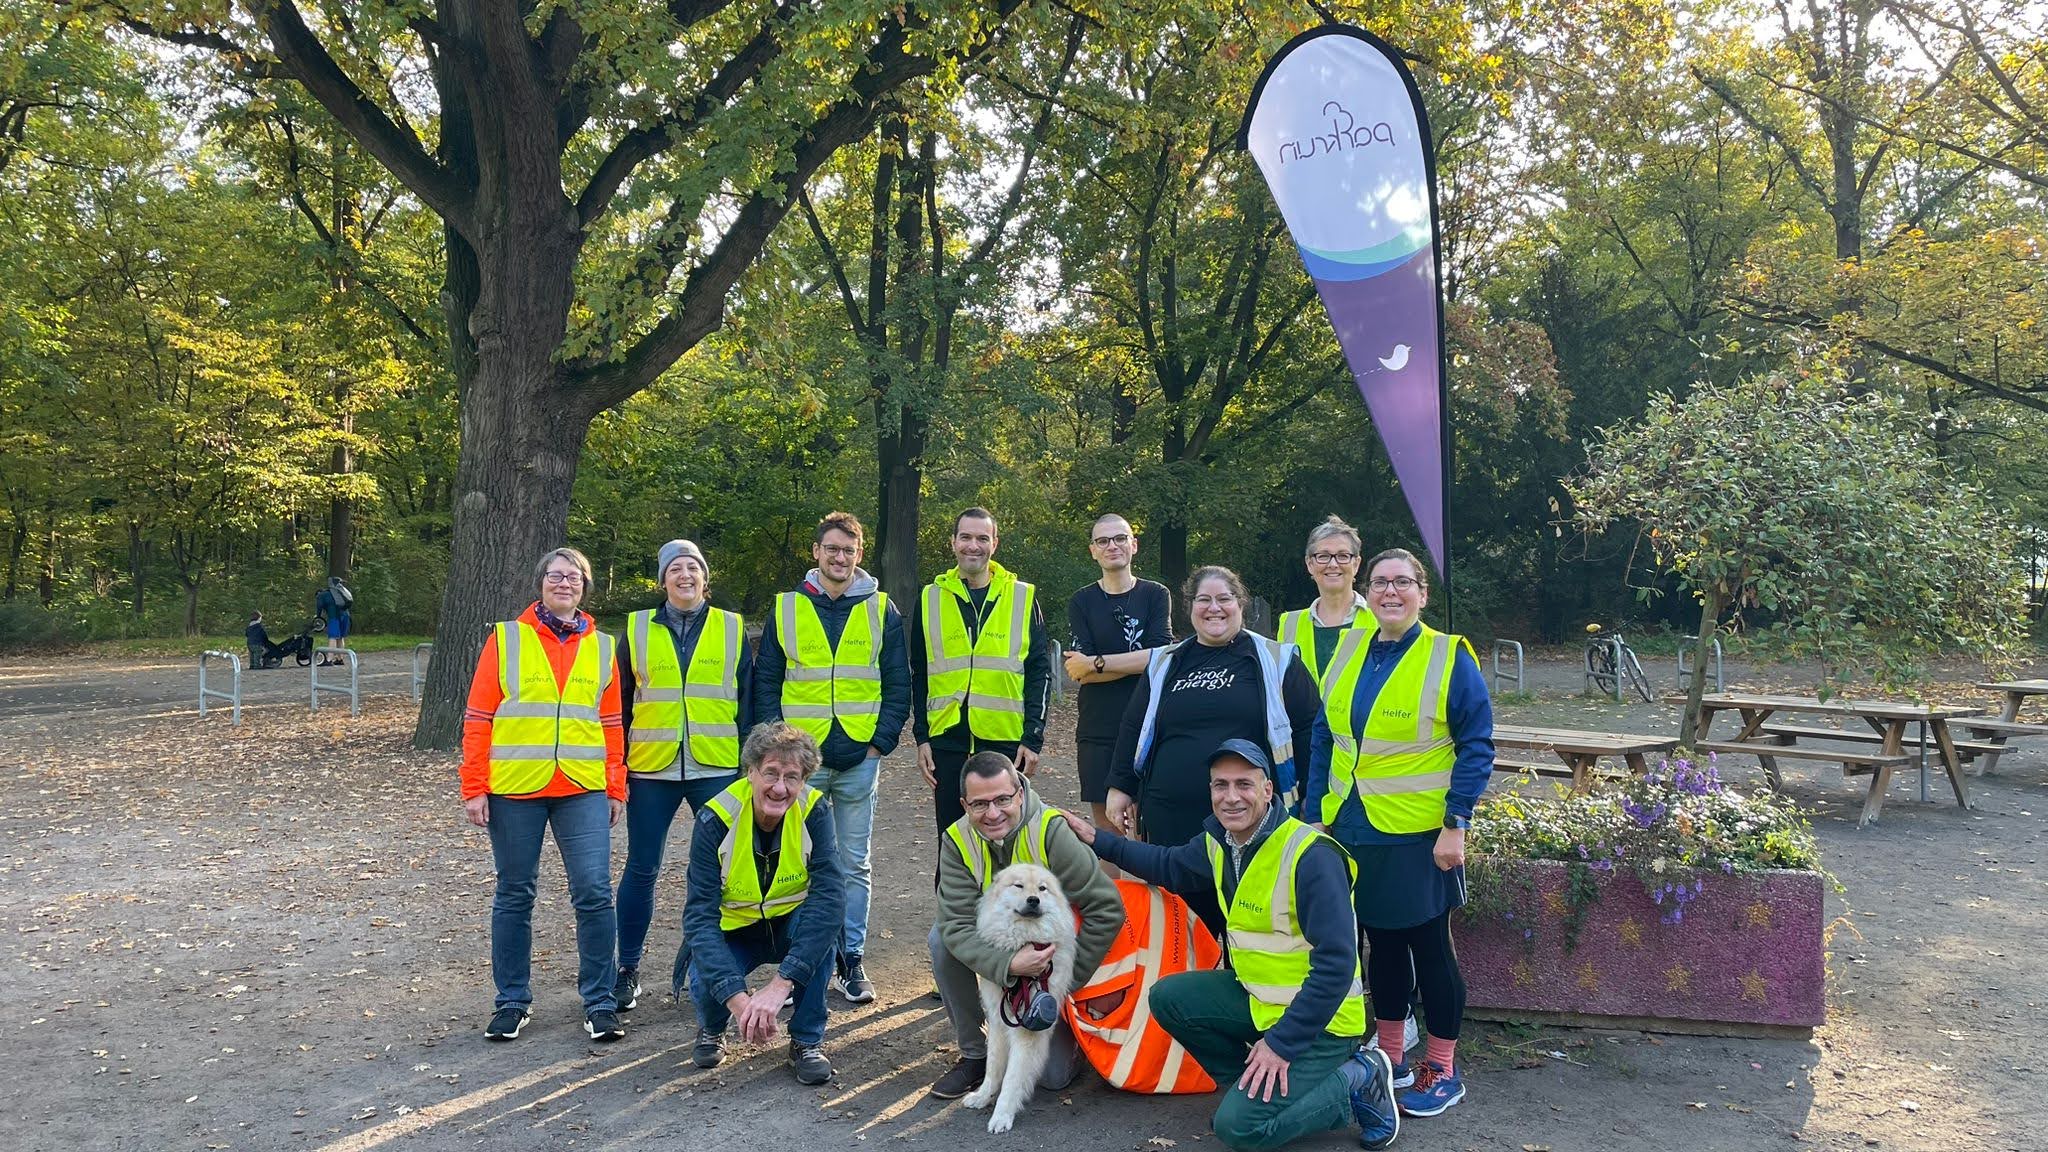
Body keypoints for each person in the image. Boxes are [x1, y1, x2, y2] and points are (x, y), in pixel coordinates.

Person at [1062, 740, 1400, 1151]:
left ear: (1268, 791)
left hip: (1323, 1024)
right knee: (1170, 998)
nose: (1231, 796)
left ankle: (1357, 1078)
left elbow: (1336, 967)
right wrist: (1097, 839)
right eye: (1220, 785)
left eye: (1244, 784)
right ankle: (1252, 1091)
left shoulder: (1310, 857)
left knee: (1240, 1131)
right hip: (1261, 1001)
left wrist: (1280, 1045)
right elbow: (1167, 865)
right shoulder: (1222, 842)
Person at [1305, 548, 1494, 1120]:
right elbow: (1324, 736)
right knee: (1380, 946)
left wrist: (1455, 825)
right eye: (1381, 582)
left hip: (1419, 834)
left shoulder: (1447, 655)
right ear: (1368, 591)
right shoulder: (1349, 649)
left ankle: (1442, 1067)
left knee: (1429, 948)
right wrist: (1315, 813)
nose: (1391, 591)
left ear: (1422, 594)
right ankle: (1391, 1057)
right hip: (1351, 826)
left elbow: (1477, 745)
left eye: (1403, 582)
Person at [458, 547, 626, 1044]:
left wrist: (615, 785)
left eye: (574, 577)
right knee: (514, 893)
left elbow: (612, 722)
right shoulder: (507, 638)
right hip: (516, 788)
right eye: (555, 575)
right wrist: (474, 786)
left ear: (585, 586)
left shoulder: (602, 646)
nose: (564, 583)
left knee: (594, 892)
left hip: (582, 787)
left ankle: (600, 1001)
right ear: (540, 583)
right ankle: (511, 1001)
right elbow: (479, 716)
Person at [754, 511, 911, 1005]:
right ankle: (799, 966)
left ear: (859, 554)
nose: (839, 557)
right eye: (831, 549)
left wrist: (880, 741)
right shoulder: (787, 607)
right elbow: (766, 681)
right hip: (800, 765)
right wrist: (779, 753)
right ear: (816, 552)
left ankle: (851, 960)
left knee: (853, 863)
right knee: (796, 861)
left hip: (860, 758)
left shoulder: (882, 608)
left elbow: (898, 681)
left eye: (848, 550)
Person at [927, 751, 1125, 1100]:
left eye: (1003, 799)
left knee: (1052, 1077)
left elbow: (1106, 908)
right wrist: (1008, 966)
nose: (993, 813)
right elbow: (956, 924)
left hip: (1054, 965)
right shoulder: (957, 840)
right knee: (940, 940)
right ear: (964, 804)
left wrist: (1062, 984)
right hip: (1005, 954)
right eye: (980, 804)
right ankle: (975, 1054)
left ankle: (1071, 1032)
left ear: (1020, 793)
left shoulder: (1051, 831)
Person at [615, 539, 753, 1013]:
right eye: (674, 568)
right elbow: (620, 701)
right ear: (663, 580)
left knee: (726, 869)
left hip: (715, 764)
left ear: (705, 578)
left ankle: (721, 967)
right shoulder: (636, 628)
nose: (685, 575)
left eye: (693, 567)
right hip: (650, 766)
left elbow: (748, 698)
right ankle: (627, 968)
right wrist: (618, 764)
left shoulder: (731, 627)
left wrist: (749, 763)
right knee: (641, 868)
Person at [1107, 566, 1320, 853]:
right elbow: (1134, 725)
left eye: (1224, 599)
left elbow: (1309, 730)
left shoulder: (1277, 660)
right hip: (1169, 820)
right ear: (1191, 607)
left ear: (1240, 604)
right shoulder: (1165, 663)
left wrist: (1312, 800)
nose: (1214, 608)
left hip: (1250, 821)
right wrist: (1120, 786)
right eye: (1204, 599)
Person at [682, 722, 845, 1085]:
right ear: (750, 771)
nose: (780, 787)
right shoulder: (714, 818)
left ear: (804, 780)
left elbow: (831, 899)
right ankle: (713, 1027)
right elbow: (699, 918)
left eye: (792, 777)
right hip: (734, 930)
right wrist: (739, 1002)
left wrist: (781, 984)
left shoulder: (815, 811)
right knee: (705, 974)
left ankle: (806, 1041)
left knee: (821, 936)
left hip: (791, 924)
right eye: (770, 773)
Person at [911, 507, 1052, 839]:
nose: (973, 546)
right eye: (965, 537)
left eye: (982, 538)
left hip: (1005, 741)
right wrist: (922, 737)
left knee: (1008, 841)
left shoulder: (1022, 596)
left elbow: (1039, 672)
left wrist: (1033, 738)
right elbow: (919, 673)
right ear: (953, 542)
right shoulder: (930, 598)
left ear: (994, 543)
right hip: (947, 743)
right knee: (953, 842)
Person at [1063, 513, 1173, 832]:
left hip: (1150, 725)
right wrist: (1136, 662)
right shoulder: (1082, 601)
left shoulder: (1155, 595)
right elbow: (1079, 671)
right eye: (1103, 541)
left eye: (1120, 538)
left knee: (1148, 831)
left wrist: (1097, 663)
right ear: (1093, 551)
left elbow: (1161, 659)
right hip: (1099, 729)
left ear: (1133, 545)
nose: (1112, 545)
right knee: (1107, 835)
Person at [1275, 516, 1372, 692]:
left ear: (1356, 564)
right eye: (1323, 556)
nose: (1333, 564)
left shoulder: (1381, 621)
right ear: (1309, 564)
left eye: (1343, 556)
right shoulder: (1289, 624)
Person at [314, 576, 353, 665]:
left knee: (332, 637)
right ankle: (340, 658)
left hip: (334, 616)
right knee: (340, 637)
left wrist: (318, 619)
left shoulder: (322, 595)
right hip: (345, 616)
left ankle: (329, 659)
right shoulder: (342, 592)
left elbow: (319, 609)